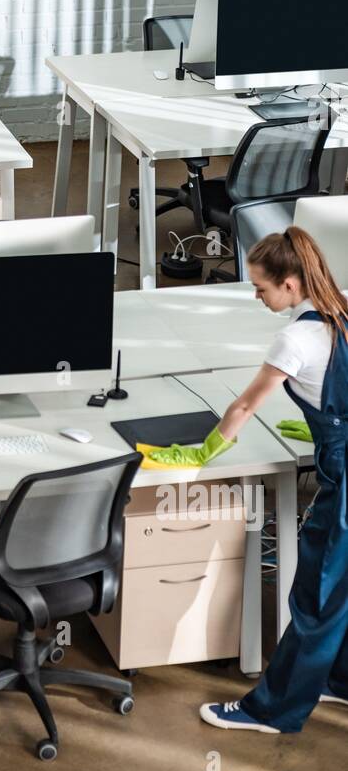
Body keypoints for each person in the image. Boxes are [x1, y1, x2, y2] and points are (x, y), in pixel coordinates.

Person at [138, 225, 348, 734]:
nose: (257, 296)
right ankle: (337, 681)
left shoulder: (295, 336)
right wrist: (322, 424)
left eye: (261, 288)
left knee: (316, 599)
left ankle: (272, 711)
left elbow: (246, 404)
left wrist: (203, 452)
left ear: (291, 285)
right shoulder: (342, 307)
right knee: (343, 592)